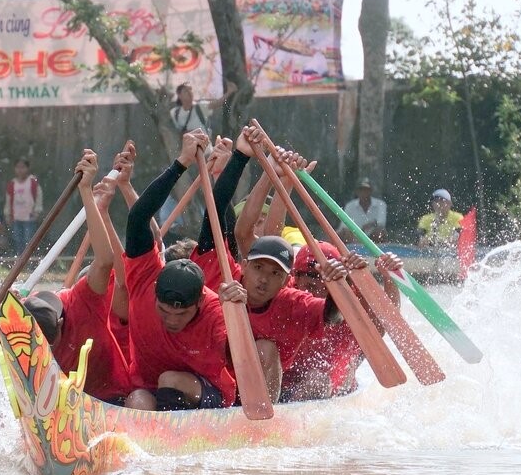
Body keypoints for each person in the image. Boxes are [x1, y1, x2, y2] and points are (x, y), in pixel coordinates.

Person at [191, 130, 349, 403]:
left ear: (286, 278)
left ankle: (263, 420)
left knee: (269, 350)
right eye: (259, 269)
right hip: (217, 382)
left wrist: (338, 286)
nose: (264, 280)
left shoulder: (293, 300)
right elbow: (237, 228)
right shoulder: (226, 278)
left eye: (275, 273)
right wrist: (271, 173)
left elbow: (333, 316)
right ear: (244, 265)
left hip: (273, 389)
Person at [0, 150, 131, 404]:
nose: (46, 353)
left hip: (110, 398)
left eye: (50, 346)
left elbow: (105, 261)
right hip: (54, 408)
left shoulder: (80, 301)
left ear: (59, 324)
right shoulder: (16, 325)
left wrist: (86, 192)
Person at [122, 129, 248, 412]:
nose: (171, 320)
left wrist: (238, 314)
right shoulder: (143, 280)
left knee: (170, 378)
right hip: (150, 391)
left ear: (200, 302)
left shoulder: (216, 309)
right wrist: (181, 163)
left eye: (181, 314)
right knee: (137, 401)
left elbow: (238, 357)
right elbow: (138, 218)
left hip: (209, 395)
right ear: (155, 293)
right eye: (164, 310)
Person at [284, 241, 403, 401]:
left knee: (319, 381)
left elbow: (386, 323)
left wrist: (389, 279)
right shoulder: (286, 295)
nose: (313, 290)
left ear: (338, 279)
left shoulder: (351, 296)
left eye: (322, 279)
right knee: (316, 381)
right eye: (308, 281)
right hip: (287, 390)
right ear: (295, 277)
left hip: (335, 386)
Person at [170, 81, 238, 142]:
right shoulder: (175, 113)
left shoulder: (200, 107)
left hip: (205, 150)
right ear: (179, 95)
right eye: (186, 91)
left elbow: (217, 103)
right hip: (188, 151)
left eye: (190, 89)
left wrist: (229, 92)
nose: (189, 92)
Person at [4, 157, 44, 255]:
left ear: (27, 168)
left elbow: (38, 197)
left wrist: (37, 212)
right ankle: (19, 260)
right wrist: (8, 214)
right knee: (18, 240)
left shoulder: (32, 183)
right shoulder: (12, 184)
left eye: (23, 167)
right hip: (16, 218)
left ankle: (29, 261)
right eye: (18, 167)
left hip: (29, 218)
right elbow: (8, 200)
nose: (20, 170)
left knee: (29, 240)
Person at [338, 177, 388, 243]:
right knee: (341, 233)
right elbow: (343, 226)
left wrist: (371, 224)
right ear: (357, 191)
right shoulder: (350, 206)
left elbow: (381, 223)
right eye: (361, 190)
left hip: (373, 238)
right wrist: (356, 233)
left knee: (381, 232)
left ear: (371, 191)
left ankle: (379, 251)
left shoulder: (381, 204)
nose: (364, 192)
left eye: (366, 190)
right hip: (353, 238)